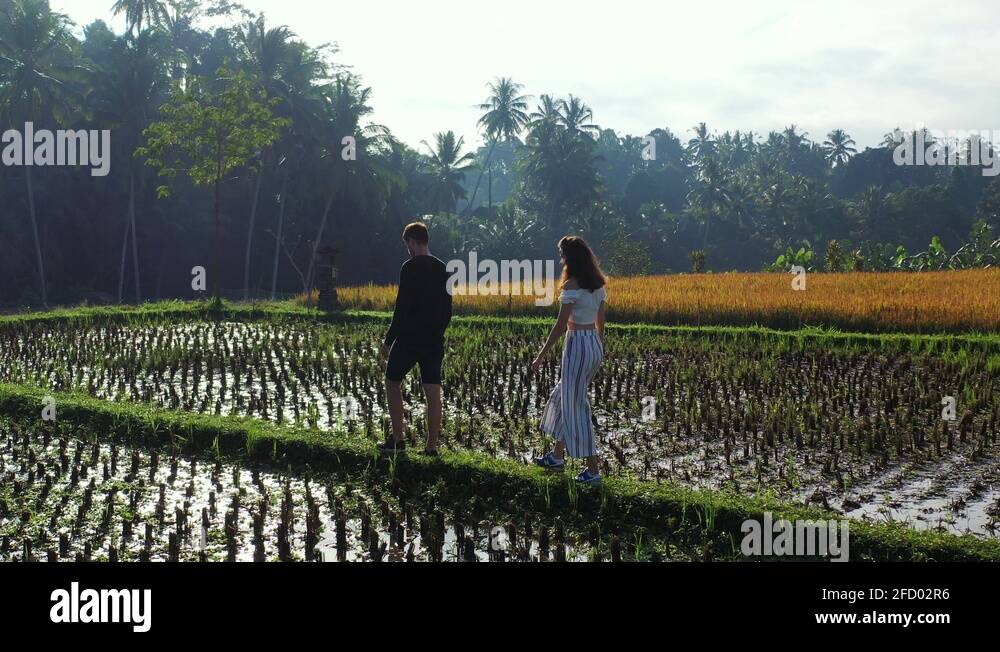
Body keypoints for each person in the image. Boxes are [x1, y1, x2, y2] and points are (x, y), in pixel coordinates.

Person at [530, 236, 607, 485]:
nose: (561, 259)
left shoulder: (571, 285)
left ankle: (593, 470)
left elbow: (561, 326)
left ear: (569, 258)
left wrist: (541, 355)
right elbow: (601, 324)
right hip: (593, 344)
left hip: (577, 344)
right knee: (566, 396)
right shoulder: (598, 284)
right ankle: (556, 456)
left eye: (562, 255)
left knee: (577, 407)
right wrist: (597, 348)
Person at [378, 222, 453, 455]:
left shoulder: (409, 267)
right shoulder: (443, 268)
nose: (407, 249)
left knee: (392, 382)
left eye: (407, 244)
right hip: (434, 340)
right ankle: (431, 447)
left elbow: (402, 308)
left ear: (412, 241)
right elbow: (447, 310)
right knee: (433, 392)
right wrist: (438, 333)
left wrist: (389, 341)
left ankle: (398, 440)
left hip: (410, 338)